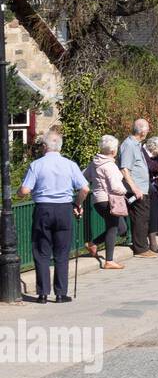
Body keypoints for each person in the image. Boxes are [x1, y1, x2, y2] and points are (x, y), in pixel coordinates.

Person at [19, 129, 89, 302]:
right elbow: (85, 189)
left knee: (42, 251)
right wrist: (77, 204)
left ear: (45, 146)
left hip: (43, 209)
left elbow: (25, 190)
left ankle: (42, 293)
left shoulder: (37, 165)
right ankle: (60, 293)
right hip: (64, 209)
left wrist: (20, 192)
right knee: (62, 251)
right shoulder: (70, 165)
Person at [85, 135, 129, 270]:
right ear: (113, 151)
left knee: (121, 228)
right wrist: (125, 191)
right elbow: (116, 186)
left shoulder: (95, 162)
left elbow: (84, 176)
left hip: (98, 200)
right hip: (109, 199)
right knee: (113, 227)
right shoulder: (110, 166)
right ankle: (109, 260)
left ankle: (93, 244)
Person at [118, 119, 158, 259]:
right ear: (141, 130)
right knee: (140, 218)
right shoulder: (129, 145)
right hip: (135, 190)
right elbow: (124, 169)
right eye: (147, 128)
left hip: (142, 189)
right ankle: (141, 249)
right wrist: (134, 188)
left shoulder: (137, 145)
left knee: (143, 217)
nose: (148, 131)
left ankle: (142, 246)